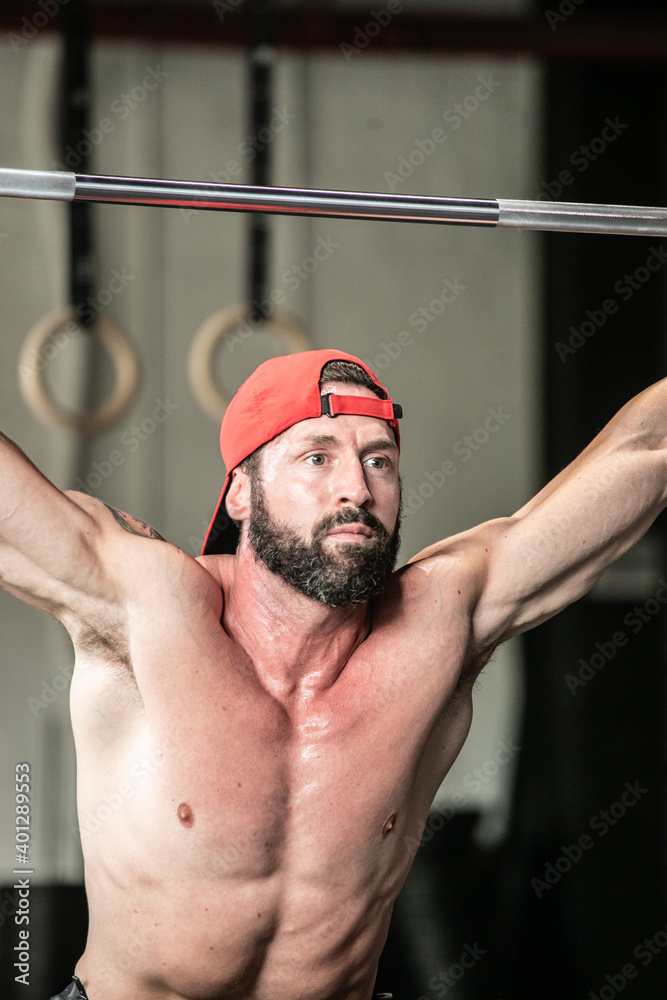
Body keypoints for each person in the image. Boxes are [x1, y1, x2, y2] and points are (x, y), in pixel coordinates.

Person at [2, 346, 663, 1000]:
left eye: (379, 460)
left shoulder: (439, 621)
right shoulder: (145, 606)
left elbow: (645, 455)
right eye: (317, 458)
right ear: (240, 492)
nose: (356, 488)